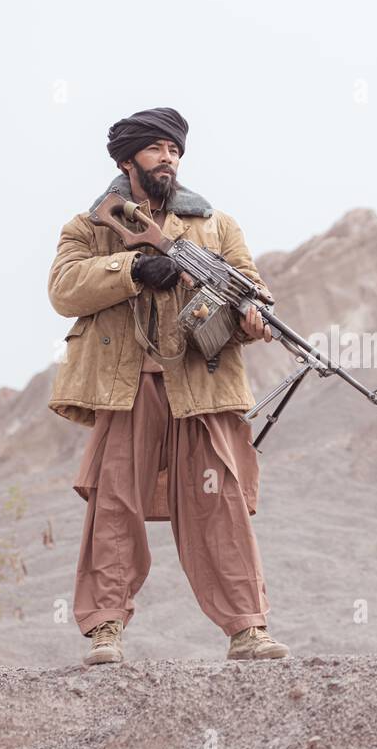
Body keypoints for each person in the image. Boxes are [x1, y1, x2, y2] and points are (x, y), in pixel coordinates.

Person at [47, 106, 289, 665]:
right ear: (127, 159)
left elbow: (250, 289)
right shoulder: (90, 227)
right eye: (156, 149)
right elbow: (64, 289)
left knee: (220, 505)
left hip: (201, 386)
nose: (168, 159)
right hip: (127, 385)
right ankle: (105, 628)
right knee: (115, 504)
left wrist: (255, 320)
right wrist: (133, 270)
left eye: (175, 150)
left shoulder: (216, 226)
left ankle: (248, 629)